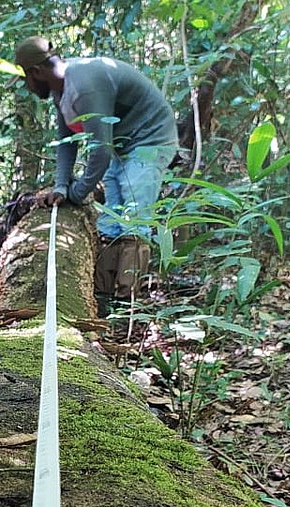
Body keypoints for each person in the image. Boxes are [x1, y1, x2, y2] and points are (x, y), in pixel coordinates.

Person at [14, 36, 178, 313]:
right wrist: (61, 186)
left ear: (36, 73)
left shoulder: (84, 86)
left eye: (26, 80)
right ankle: (101, 301)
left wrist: (77, 195)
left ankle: (126, 309)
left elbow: (100, 150)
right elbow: (67, 139)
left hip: (150, 141)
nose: (28, 88)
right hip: (124, 146)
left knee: (133, 220)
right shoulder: (61, 90)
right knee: (110, 222)